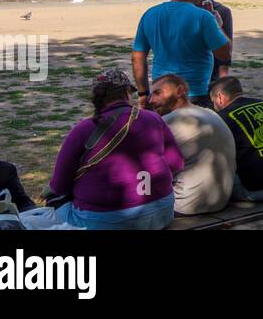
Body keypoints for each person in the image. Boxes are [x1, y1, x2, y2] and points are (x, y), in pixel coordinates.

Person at [47, 68, 184, 230]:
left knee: (55, 201)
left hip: (104, 221)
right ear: (127, 93)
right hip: (161, 214)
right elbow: (176, 164)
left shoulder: (83, 129)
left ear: (96, 98)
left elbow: (59, 186)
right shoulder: (153, 119)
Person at [131, 0, 232, 112]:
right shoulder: (204, 17)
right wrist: (218, 25)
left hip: (161, 93)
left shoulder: (150, 14)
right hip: (195, 94)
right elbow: (224, 53)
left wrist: (143, 93)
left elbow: (137, 58)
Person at [150, 73, 236, 217]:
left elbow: (149, 168)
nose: (152, 100)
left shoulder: (168, 121)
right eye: (151, 95)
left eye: (158, 93)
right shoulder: (211, 114)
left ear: (179, 91)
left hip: (183, 205)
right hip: (220, 201)